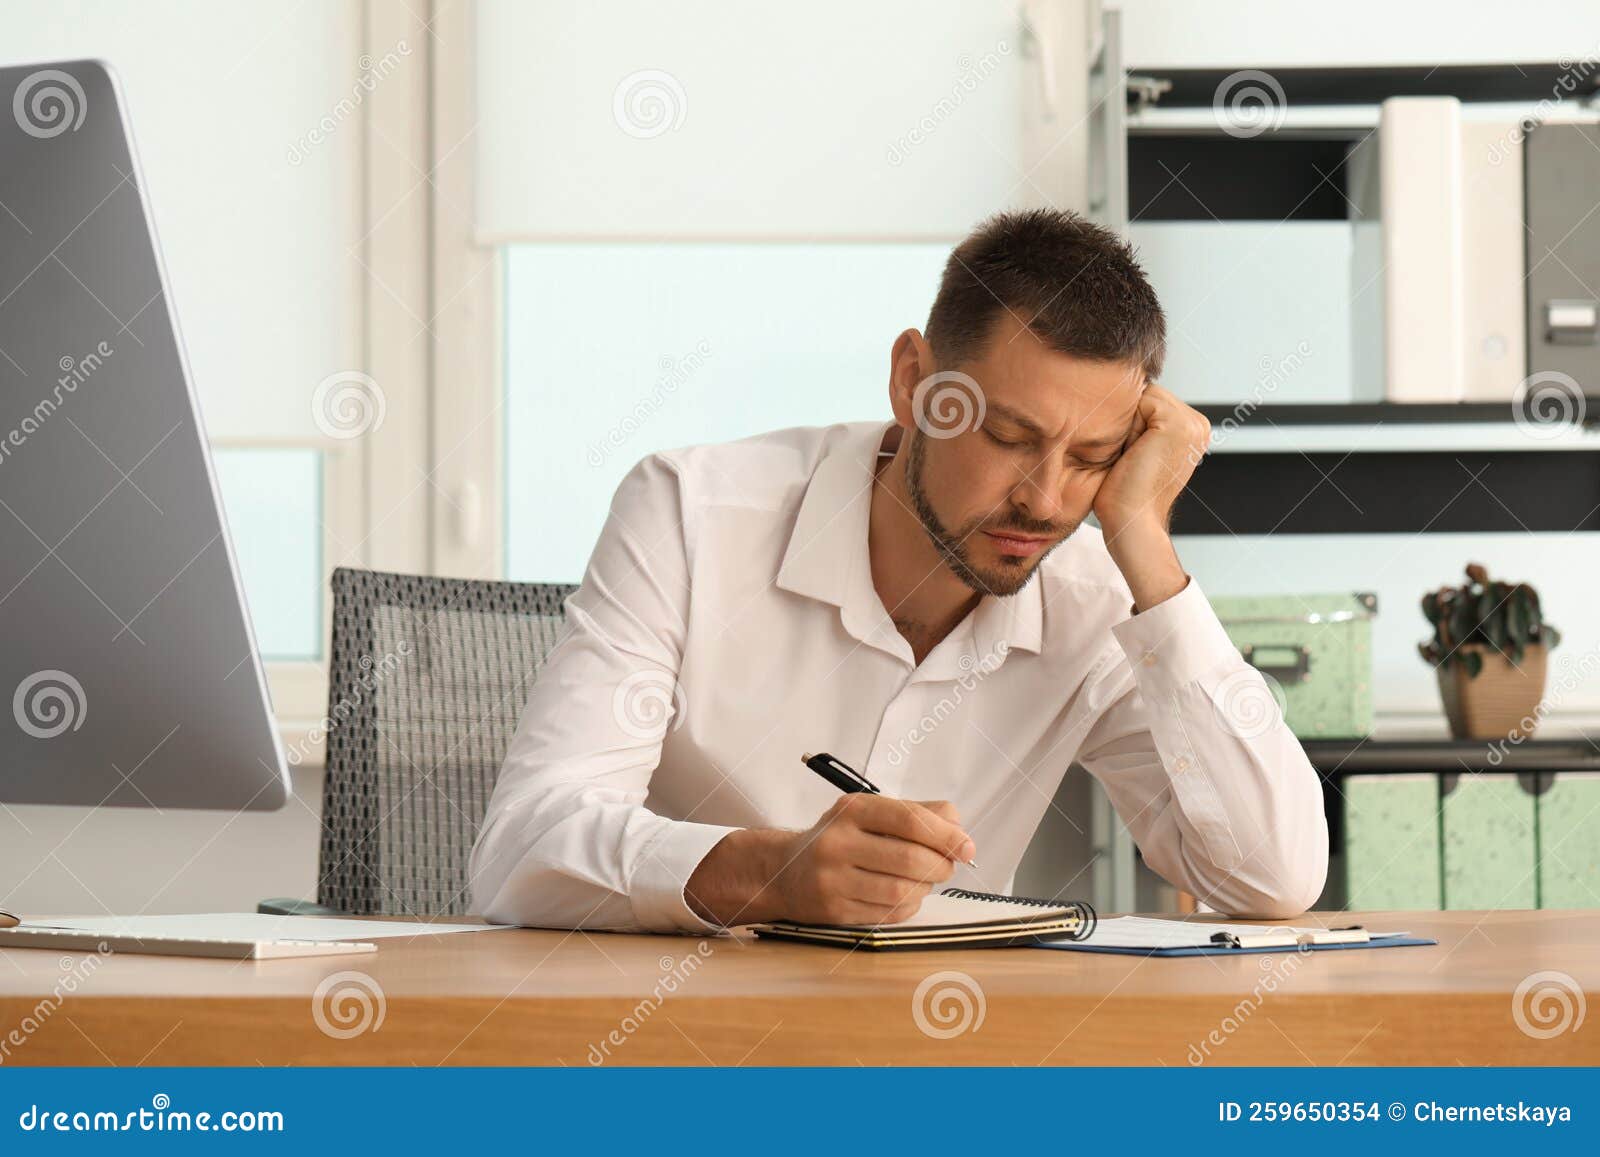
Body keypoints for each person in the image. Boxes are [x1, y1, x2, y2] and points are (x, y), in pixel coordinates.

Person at [470, 208, 1328, 933]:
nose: (1045, 499)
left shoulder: (1100, 596)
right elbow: (519, 848)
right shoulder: (691, 512)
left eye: (1094, 457)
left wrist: (1143, 538)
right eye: (1008, 436)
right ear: (914, 380)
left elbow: (1272, 877)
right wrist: (769, 872)